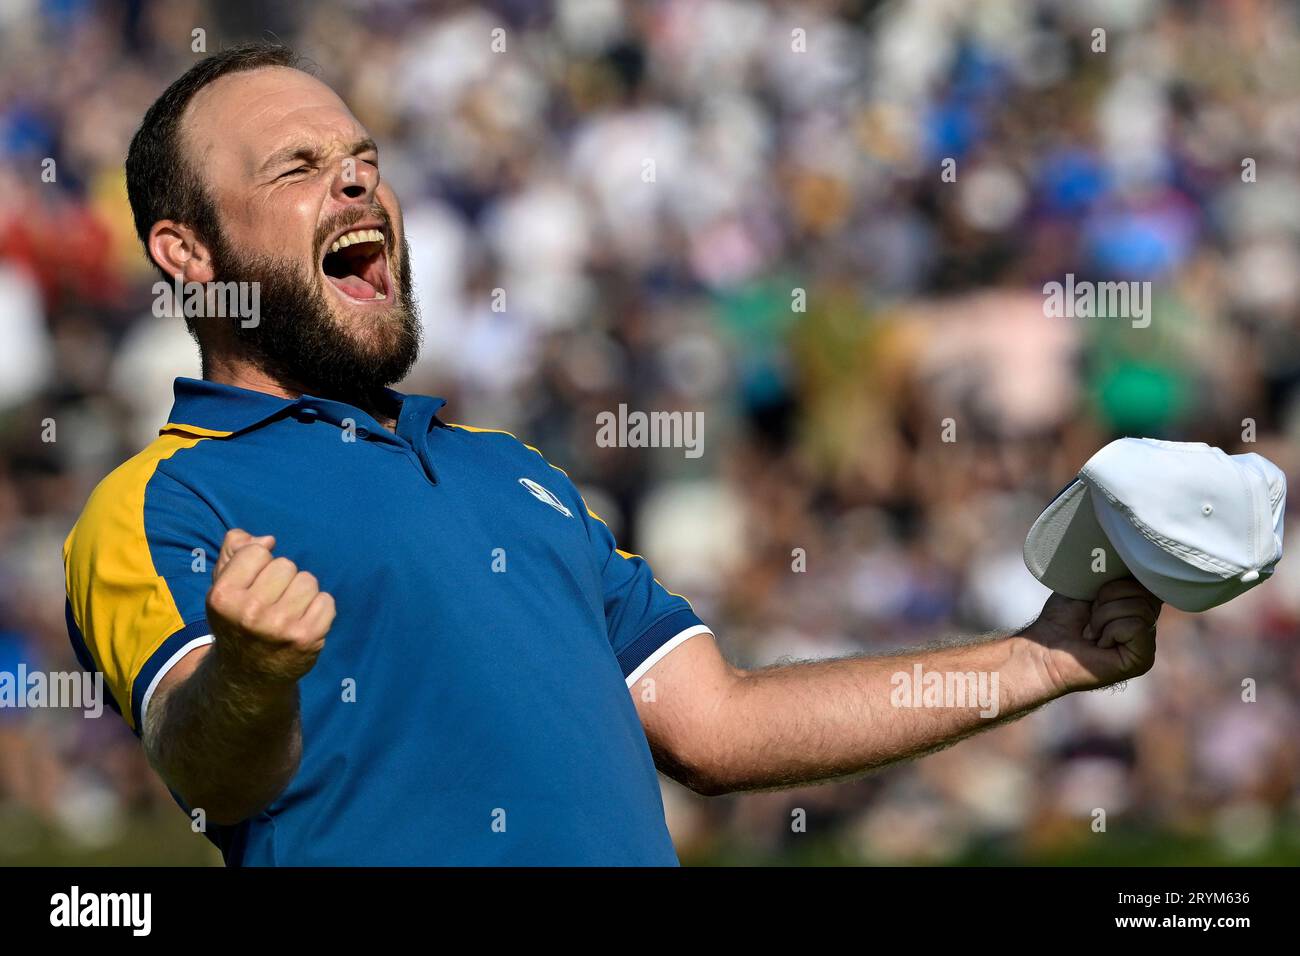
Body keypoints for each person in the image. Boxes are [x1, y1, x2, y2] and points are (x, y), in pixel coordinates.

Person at [62, 42, 1162, 866]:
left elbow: (716, 723)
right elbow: (206, 768)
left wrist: (1041, 657)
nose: (358, 185)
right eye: (297, 166)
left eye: (364, 159)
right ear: (188, 252)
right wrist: (254, 674)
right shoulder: (160, 498)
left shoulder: (515, 472)